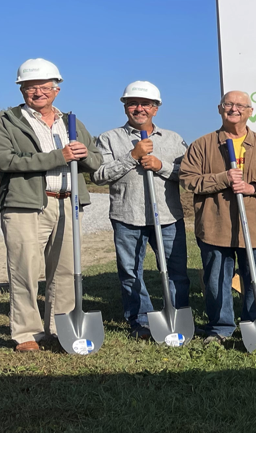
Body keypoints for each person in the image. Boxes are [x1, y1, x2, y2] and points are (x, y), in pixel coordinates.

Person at [0, 58, 103, 352]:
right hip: (25, 206)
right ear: (21, 89)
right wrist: (59, 156)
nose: (37, 92)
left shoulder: (70, 122)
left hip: (68, 203)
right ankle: (27, 333)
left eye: (44, 86)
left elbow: (97, 161)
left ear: (56, 89)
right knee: (25, 269)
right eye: (30, 87)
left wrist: (84, 154)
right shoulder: (5, 121)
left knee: (66, 271)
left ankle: (60, 329)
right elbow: (5, 160)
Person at [180, 91, 256, 345]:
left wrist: (253, 187)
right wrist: (223, 179)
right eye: (229, 104)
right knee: (217, 278)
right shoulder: (203, 145)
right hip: (215, 224)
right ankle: (220, 327)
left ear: (250, 111)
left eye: (241, 105)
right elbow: (188, 180)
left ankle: (254, 325)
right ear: (220, 109)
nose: (234, 109)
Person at [93, 81, 190, 340]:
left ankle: (178, 315)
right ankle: (141, 321)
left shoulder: (174, 139)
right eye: (133, 103)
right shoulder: (108, 139)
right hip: (127, 216)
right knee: (130, 272)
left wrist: (161, 166)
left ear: (156, 108)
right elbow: (100, 176)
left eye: (146, 104)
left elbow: (189, 176)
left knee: (175, 270)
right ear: (125, 106)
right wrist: (132, 156)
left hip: (168, 217)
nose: (139, 109)